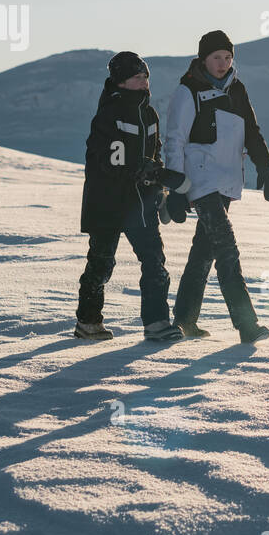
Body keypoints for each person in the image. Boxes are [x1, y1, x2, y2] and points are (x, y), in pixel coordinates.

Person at [162, 29, 269, 343]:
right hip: (200, 179)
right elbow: (175, 140)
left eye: (228, 57)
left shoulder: (237, 89)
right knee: (227, 248)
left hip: (226, 179)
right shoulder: (188, 90)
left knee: (204, 251)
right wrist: (174, 186)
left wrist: (265, 166)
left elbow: (252, 130)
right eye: (217, 57)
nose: (223, 63)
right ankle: (246, 324)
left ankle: (185, 318)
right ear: (204, 58)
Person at [74, 51, 184, 342]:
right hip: (108, 201)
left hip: (141, 201)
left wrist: (158, 183)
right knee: (101, 263)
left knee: (154, 260)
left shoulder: (149, 114)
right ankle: (88, 321)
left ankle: (157, 323)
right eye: (137, 77)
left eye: (145, 76)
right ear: (121, 82)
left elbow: (153, 152)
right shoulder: (109, 115)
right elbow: (110, 161)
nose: (144, 82)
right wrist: (146, 171)